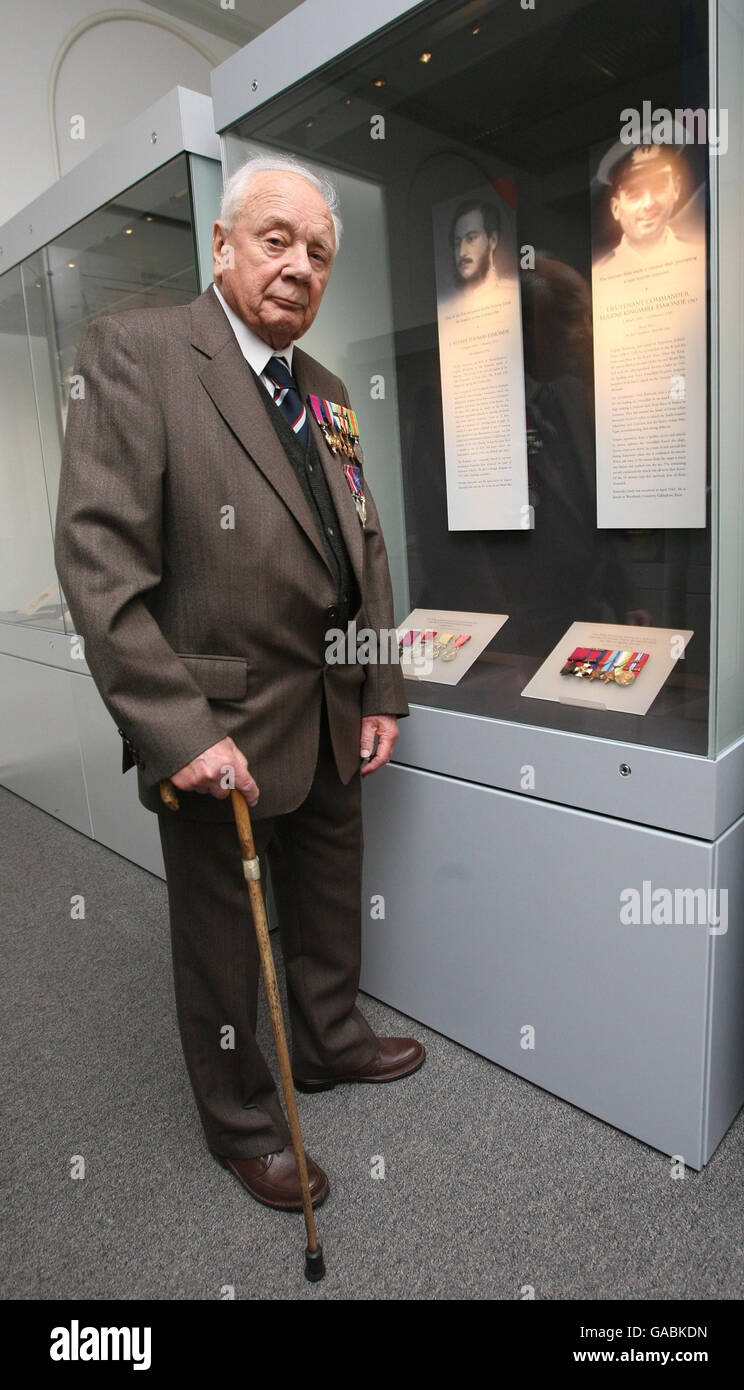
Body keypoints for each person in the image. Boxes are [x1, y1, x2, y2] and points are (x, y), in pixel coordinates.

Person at [54, 154, 425, 1214]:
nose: (298, 267)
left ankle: (328, 1039)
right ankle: (244, 1121)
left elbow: (365, 551)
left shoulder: (331, 393)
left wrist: (380, 688)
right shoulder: (136, 355)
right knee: (222, 941)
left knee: (326, 896)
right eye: (275, 239)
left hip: (330, 707)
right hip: (214, 725)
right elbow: (98, 569)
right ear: (221, 244)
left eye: (316, 252)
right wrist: (177, 732)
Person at [596, 142, 690, 271]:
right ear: (616, 209)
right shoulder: (601, 272)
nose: (648, 203)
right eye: (634, 194)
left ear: (676, 189)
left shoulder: (696, 255)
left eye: (659, 187)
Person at [449, 198, 503, 292]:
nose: (461, 253)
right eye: (457, 243)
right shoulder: (446, 304)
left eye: (471, 238)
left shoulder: (513, 293)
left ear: (493, 240)